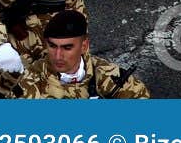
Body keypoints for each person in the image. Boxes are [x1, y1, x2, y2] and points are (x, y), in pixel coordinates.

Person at [15, 12, 150, 99]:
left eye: (67, 48)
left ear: (83, 46)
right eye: (52, 46)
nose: (58, 56)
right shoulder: (30, 82)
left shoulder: (111, 77)